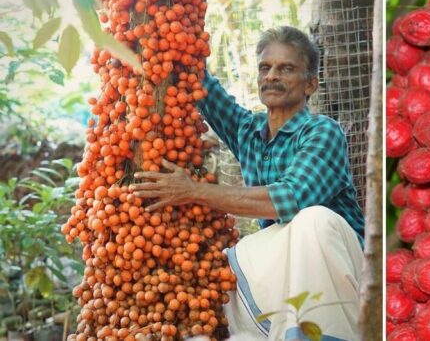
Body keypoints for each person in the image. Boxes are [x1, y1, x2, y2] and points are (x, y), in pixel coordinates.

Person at [130, 26, 366, 341]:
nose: (272, 76)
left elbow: (287, 199)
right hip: (285, 272)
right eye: (265, 68)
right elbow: (205, 87)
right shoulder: (249, 131)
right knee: (215, 278)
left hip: (340, 270)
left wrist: (193, 191)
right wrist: (170, 29)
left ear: (310, 84)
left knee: (312, 219)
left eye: (287, 69)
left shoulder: (323, 132)